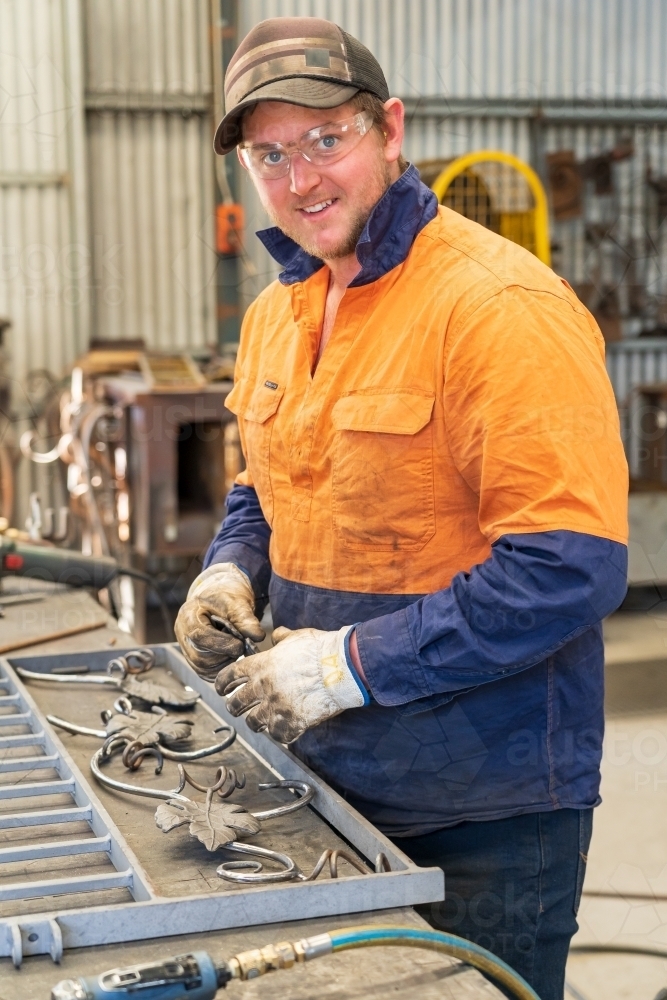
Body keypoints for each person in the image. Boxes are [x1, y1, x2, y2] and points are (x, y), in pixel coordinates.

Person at [175, 16, 628, 999]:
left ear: (390, 130)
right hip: (317, 784)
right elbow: (267, 480)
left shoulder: (498, 309)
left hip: (485, 813)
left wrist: (347, 665)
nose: (299, 181)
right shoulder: (273, 315)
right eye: (268, 154)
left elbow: (569, 567)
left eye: (325, 140)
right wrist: (228, 563)